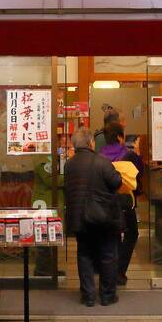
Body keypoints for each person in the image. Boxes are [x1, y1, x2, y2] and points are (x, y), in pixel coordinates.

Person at [63, 127, 122, 307]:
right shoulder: (102, 162)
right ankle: (107, 295)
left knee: (84, 255)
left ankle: (88, 296)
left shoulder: (69, 165)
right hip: (102, 217)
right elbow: (116, 182)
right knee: (108, 255)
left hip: (79, 218)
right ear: (91, 143)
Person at [100, 124, 145, 285]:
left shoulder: (100, 155)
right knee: (131, 233)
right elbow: (139, 174)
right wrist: (138, 153)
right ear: (120, 137)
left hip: (105, 201)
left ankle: (111, 271)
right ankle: (119, 271)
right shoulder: (128, 154)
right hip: (125, 200)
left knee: (114, 234)